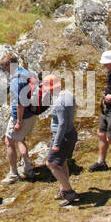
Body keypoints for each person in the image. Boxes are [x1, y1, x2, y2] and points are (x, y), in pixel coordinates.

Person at [41, 75, 80, 206]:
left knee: (51, 163)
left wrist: (56, 144)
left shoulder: (58, 103)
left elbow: (62, 124)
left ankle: (69, 192)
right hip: (70, 134)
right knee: (61, 162)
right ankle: (63, 188)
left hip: (62, 137)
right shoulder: (68, 94)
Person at [0, 51, 38, 183]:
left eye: (5, 68)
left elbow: (20, 103)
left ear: (9, 66)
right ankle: (27, 168)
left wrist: (18, 121)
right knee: (20, 139)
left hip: (22, 116)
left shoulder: (16, 80)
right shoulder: (27, 73)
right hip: (32, 113)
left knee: (9, 142)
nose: (5, 71)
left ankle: (13, 173)